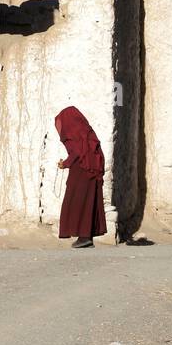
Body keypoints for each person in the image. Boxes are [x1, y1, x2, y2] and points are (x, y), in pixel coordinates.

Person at [55, 105, 107, 248]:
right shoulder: (85, 131)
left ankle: (84, 237)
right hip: (92, 170)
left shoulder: (75, 132)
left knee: (76, 202)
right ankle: (86, 237)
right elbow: (87, 150)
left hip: (82, 171)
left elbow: (77, 152)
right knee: (88, 202)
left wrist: (65, 164)